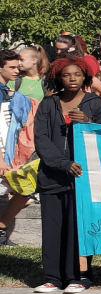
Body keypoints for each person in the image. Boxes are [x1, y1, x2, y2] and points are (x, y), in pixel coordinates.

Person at [33, 58, 101, 293]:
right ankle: (53, 278)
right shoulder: (48, 104)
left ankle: (81, 276)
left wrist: (88, 123)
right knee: (53, 227)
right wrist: (62, 164)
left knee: (79, 227)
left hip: (84, 178)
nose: (73, 78)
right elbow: (41, 139)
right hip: (53, 177)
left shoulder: (94, 103)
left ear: (85, 77)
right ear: (58, 78)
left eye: (77, 74)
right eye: (67, 75)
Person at [0, 49, 36, 247]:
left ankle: (1, 228)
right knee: (25, 188)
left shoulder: (8, 92)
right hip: (2, 153)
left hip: (10, 150)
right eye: (11, 67)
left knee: (27, 187)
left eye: (18, 66)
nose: (17, 71)